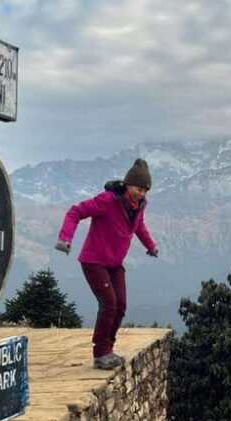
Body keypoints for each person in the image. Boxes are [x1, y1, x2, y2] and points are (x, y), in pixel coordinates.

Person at [55, 158, 159, 369]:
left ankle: (108, 349)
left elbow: (139, 226)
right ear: (127, 184)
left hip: (115, 263)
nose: (142, 193)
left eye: (145, 190)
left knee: (120, 306)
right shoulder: (108, 200)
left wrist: (151, 246)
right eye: (139, 188)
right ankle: (101, 354)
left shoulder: (139, 206)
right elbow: (76, 211)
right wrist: (65, 239)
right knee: (109, 303)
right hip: (94, 261)